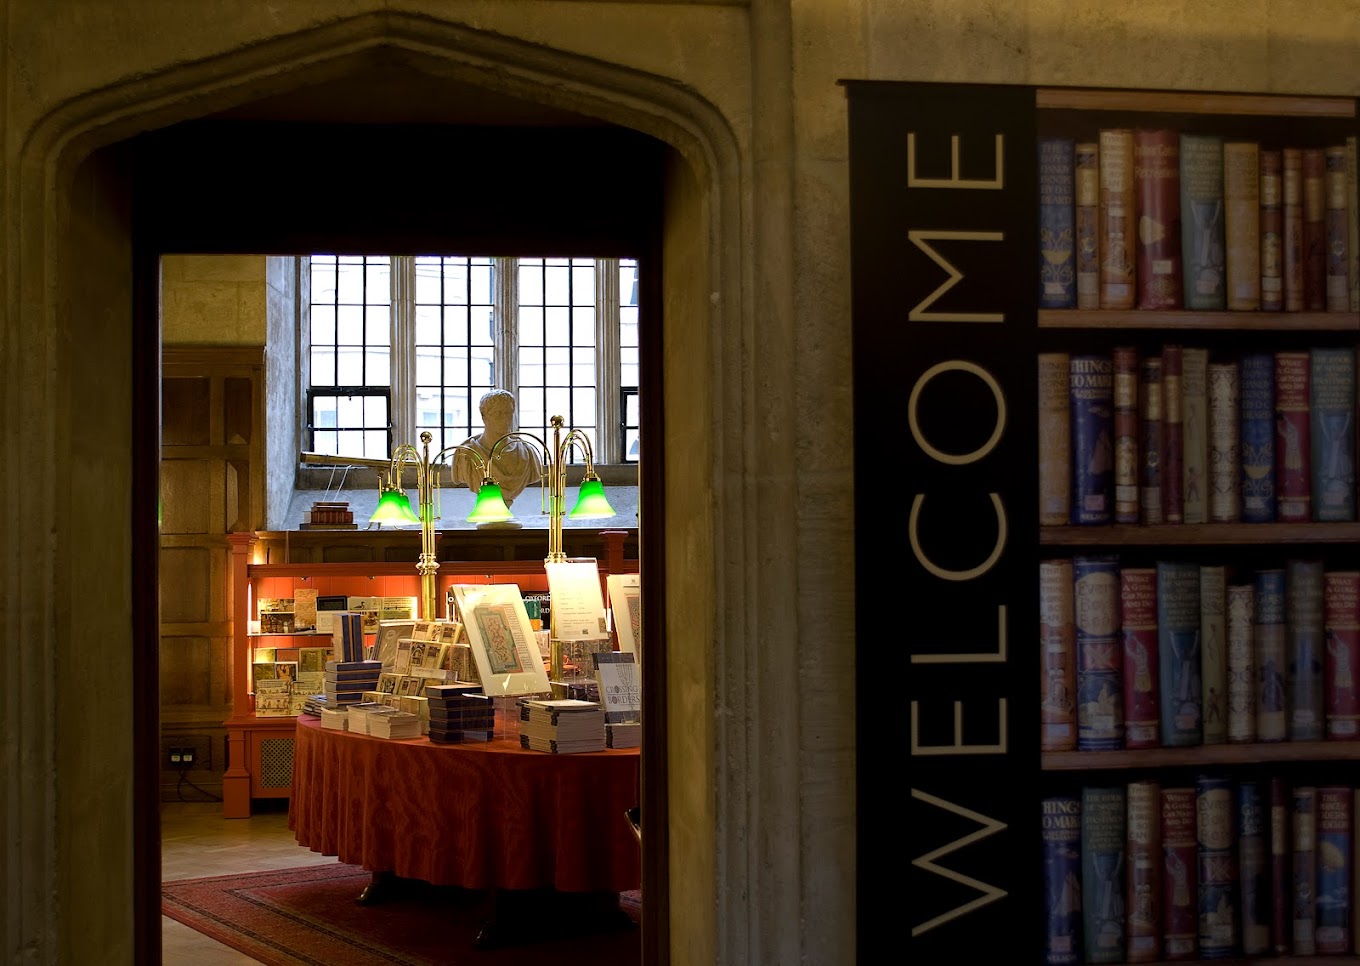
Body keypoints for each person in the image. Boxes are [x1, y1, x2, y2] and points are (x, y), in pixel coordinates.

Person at [451, 390, 544, 511]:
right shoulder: (466, 455)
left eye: (508, 413)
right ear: (484, 417)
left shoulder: (527, 453)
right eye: (498, 414)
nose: (505, 419)